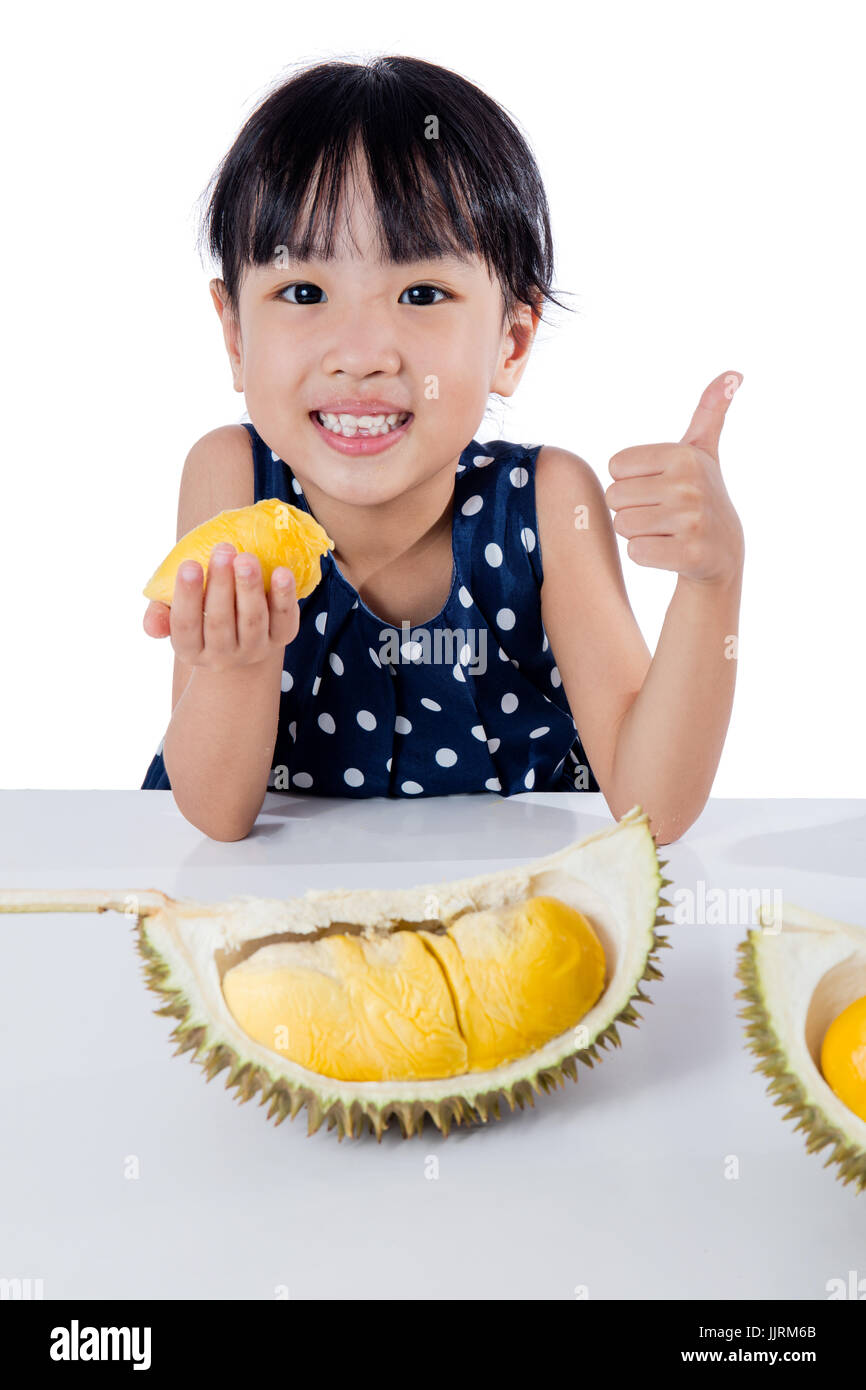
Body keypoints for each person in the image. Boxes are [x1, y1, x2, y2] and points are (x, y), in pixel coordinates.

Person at [141, 55, 745, 844]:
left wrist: (713, 578)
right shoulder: (233, 479)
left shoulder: (546, 500)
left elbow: (651, 811)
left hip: (511, 912)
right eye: (303, 292)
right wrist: (238, 663)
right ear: (234, 336)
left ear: (512, 342)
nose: (360, 353)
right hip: (292, 926)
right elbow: (216, 816)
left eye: (422, 294)